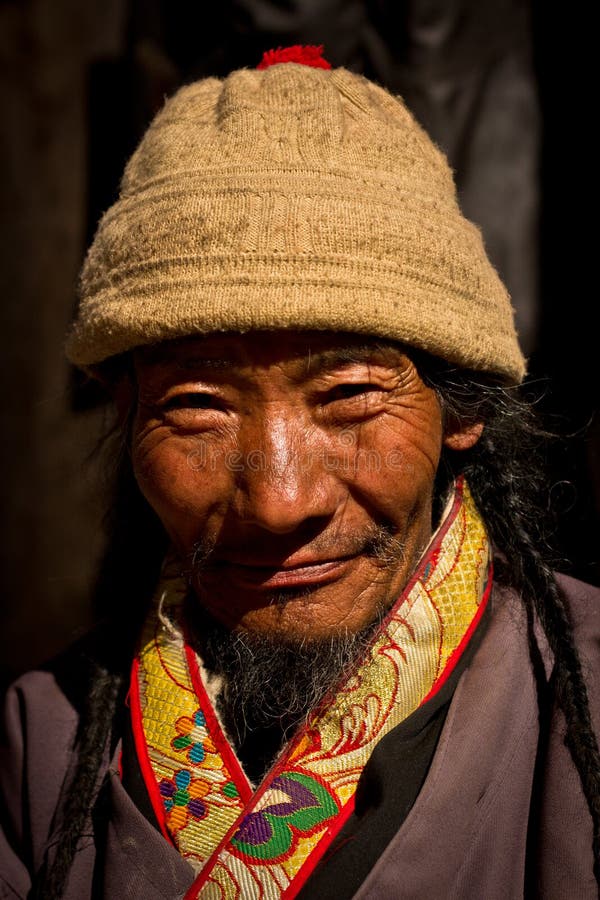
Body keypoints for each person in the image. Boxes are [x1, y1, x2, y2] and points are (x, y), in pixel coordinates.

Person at [1, 45, 598, 900]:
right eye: (198, 406)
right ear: (126, 413)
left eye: (350, 395)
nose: (279, 501)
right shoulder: (41, 744)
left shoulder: (588, 701)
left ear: (461, 409)